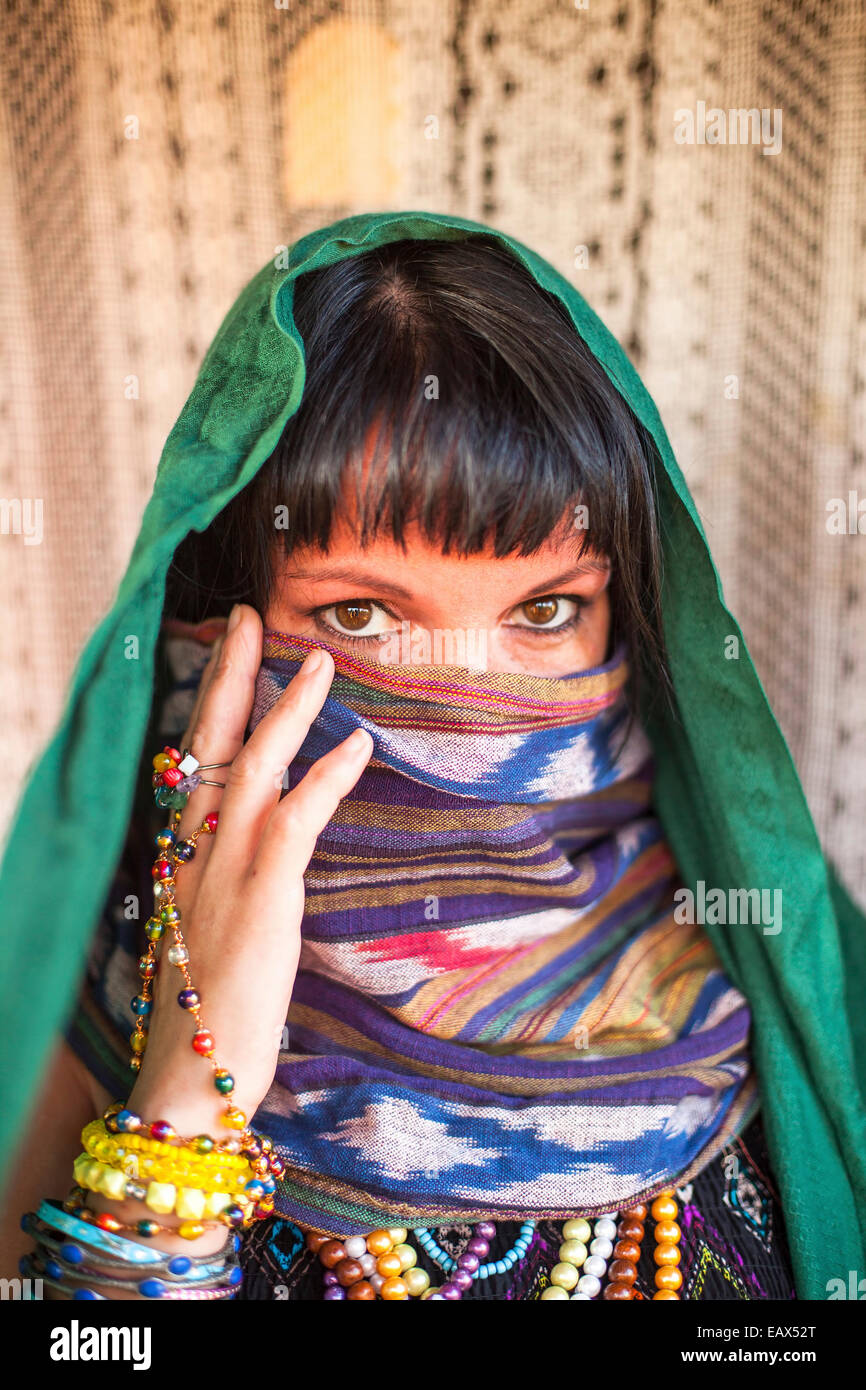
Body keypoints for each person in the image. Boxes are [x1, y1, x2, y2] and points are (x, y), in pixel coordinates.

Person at [1, 212, 864, 1303]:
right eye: (361, 614)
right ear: (218, 632)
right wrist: (188, 1090)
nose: (471, 704)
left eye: (545, 608)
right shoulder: (80, 1008)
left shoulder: (774, 977)